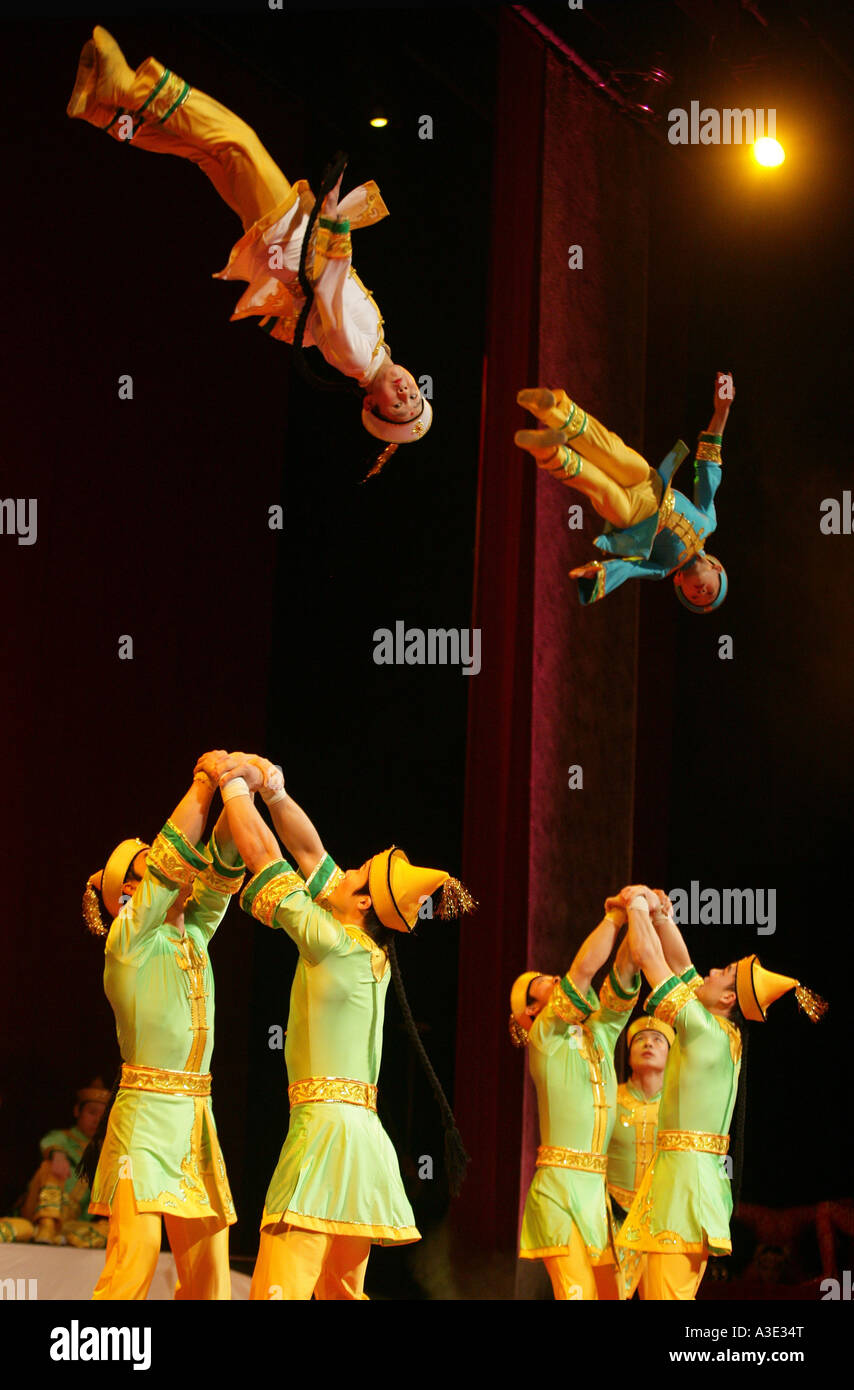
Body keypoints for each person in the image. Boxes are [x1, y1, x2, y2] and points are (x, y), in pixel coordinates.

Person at [66, 27, 432, 463]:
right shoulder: (372, 346)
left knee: (236, 142)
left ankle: (126, 87)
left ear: (370, 405)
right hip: (293, 245)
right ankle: (101, 110)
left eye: (398, 406)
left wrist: (334, 224)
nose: (407, 393)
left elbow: (330, 292)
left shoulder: (356, 357)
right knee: (211, 155)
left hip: (290, 240)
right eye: (415, 399)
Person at [216, 752, 472, 1300]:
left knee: (281, 1283)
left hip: (326, 1136)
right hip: (364, 1139)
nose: (340, 868)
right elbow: (308, 852)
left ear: (360, 902)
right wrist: (275, 790)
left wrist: (232, 786)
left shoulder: (330, 942)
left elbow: (265, 856)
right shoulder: (367, 947)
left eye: (354, 873)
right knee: (341, 1291)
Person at [80, 751, 243, 1300]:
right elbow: (178, 854)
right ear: (129, 894)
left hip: (196, 1120)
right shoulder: (126, 943)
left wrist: (237, 785)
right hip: (145, 1123)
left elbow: (221, 860)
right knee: (135, 1263)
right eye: (152, 867)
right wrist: (203, 780)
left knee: (211, 1282)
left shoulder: (192, 932)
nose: (175, 870)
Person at [616, 885, 827, 1300]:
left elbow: (649, 958)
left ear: (728, 998)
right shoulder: (719, 1031)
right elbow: (681, 964)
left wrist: (635, 902)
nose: (709, 972)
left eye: (722, 973)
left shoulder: (702, 1029)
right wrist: (660, 915)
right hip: (688, 1184)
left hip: (682, 1189)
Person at [508, 895, 641, 1300]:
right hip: (559, 1191)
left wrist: (643, 915)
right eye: (541, 984)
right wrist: (616, 914)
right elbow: (582, 972)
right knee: (577, 1293)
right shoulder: (545, 1038)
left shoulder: (599, 1033)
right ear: (531, 1012)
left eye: (551, 976)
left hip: (595, 1194)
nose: (553, 980)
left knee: (611, 1296)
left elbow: (624, 969)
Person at [514, 372, 733, 610]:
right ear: (716, 567)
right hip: (652, 484)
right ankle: (554, 408)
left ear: (678, 581)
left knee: (601, 488)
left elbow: (629, 568)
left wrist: (598, 573)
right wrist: (722, 412)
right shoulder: (708, 522)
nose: (701, 593)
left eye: (694, 598)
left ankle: (551, 452)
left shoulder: (662, 569)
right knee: (610, 449)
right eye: (710, 591)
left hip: (633, 516)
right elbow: (708, 470)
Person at [606, 1018, 673, 1298]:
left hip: (664, 1221)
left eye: (658, 1039)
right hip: (615, 1219)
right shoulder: (610, 1099)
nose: (648, 1043)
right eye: (640, 1039)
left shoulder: (678, 1104)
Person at [0, 1080, 111, 1248]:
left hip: (69, 1221)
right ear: (77, 1111)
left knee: (111, 1232)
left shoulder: (106, 1154)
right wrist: (57, 1155)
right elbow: (50, 1143)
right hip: (37, 1210)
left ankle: (56, 1236)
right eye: (92, 1112)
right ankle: (46, 1225)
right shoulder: (63, 1137)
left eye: (102, 1116)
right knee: (49, 1168)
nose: (97, 1120)